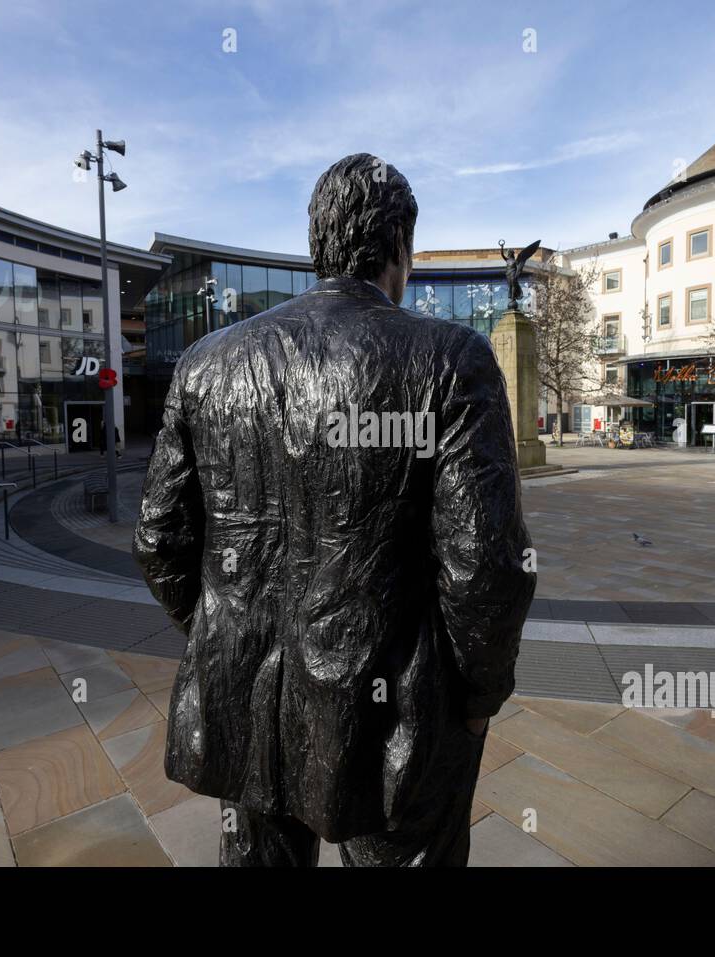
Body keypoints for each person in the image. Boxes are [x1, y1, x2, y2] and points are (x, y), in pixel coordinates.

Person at [134, 154, 535, 867]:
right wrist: (479, 697)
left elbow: (160, 538)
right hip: (395, 723)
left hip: (249, 702)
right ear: (401, 250)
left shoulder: (203, 364)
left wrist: (224, 632)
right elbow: (484, 566)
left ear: (318, 242)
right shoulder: (450, 358)